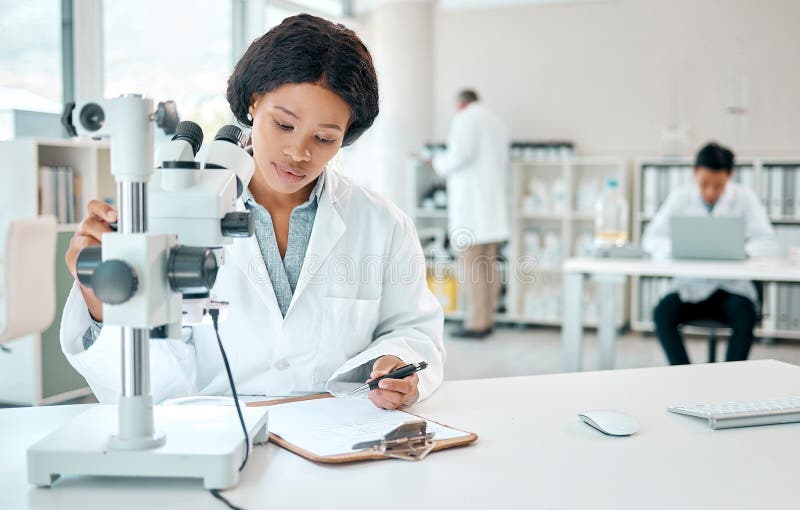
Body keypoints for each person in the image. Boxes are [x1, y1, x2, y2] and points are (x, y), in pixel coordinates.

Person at [60, 14, 444, 410]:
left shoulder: (382, 223)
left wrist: (396, 366)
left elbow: (413, 329)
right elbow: (146, 385)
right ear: (253, 102)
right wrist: (102, 299)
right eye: (283, 124)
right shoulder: (172, 211)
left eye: (325, 138)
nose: (299, 152)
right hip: (215, 435)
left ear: (347, 136)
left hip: (336, 439)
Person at [642, 142, 777, 365]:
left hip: (732, 289)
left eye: (718, 185)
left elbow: (767, 240)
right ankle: (684, 375)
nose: (710, 192)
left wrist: (742, 251)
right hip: (690, 287)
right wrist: (675, 249)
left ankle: (730, 382)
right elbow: (651, 237)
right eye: (704, 184)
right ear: (694, 172)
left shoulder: (745, 198)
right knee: (663, 313)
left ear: (730, 175)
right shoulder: (681, 196)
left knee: (745, 314)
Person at [432, 89, 510, 339]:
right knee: (489, 266)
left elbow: (459, 156)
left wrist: (436, 162)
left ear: (461, 104)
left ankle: (477, 324)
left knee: (473, 267)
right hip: (491, 207)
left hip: (472, 210)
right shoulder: (496, 121)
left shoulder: (466, 119)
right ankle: (487, 319)